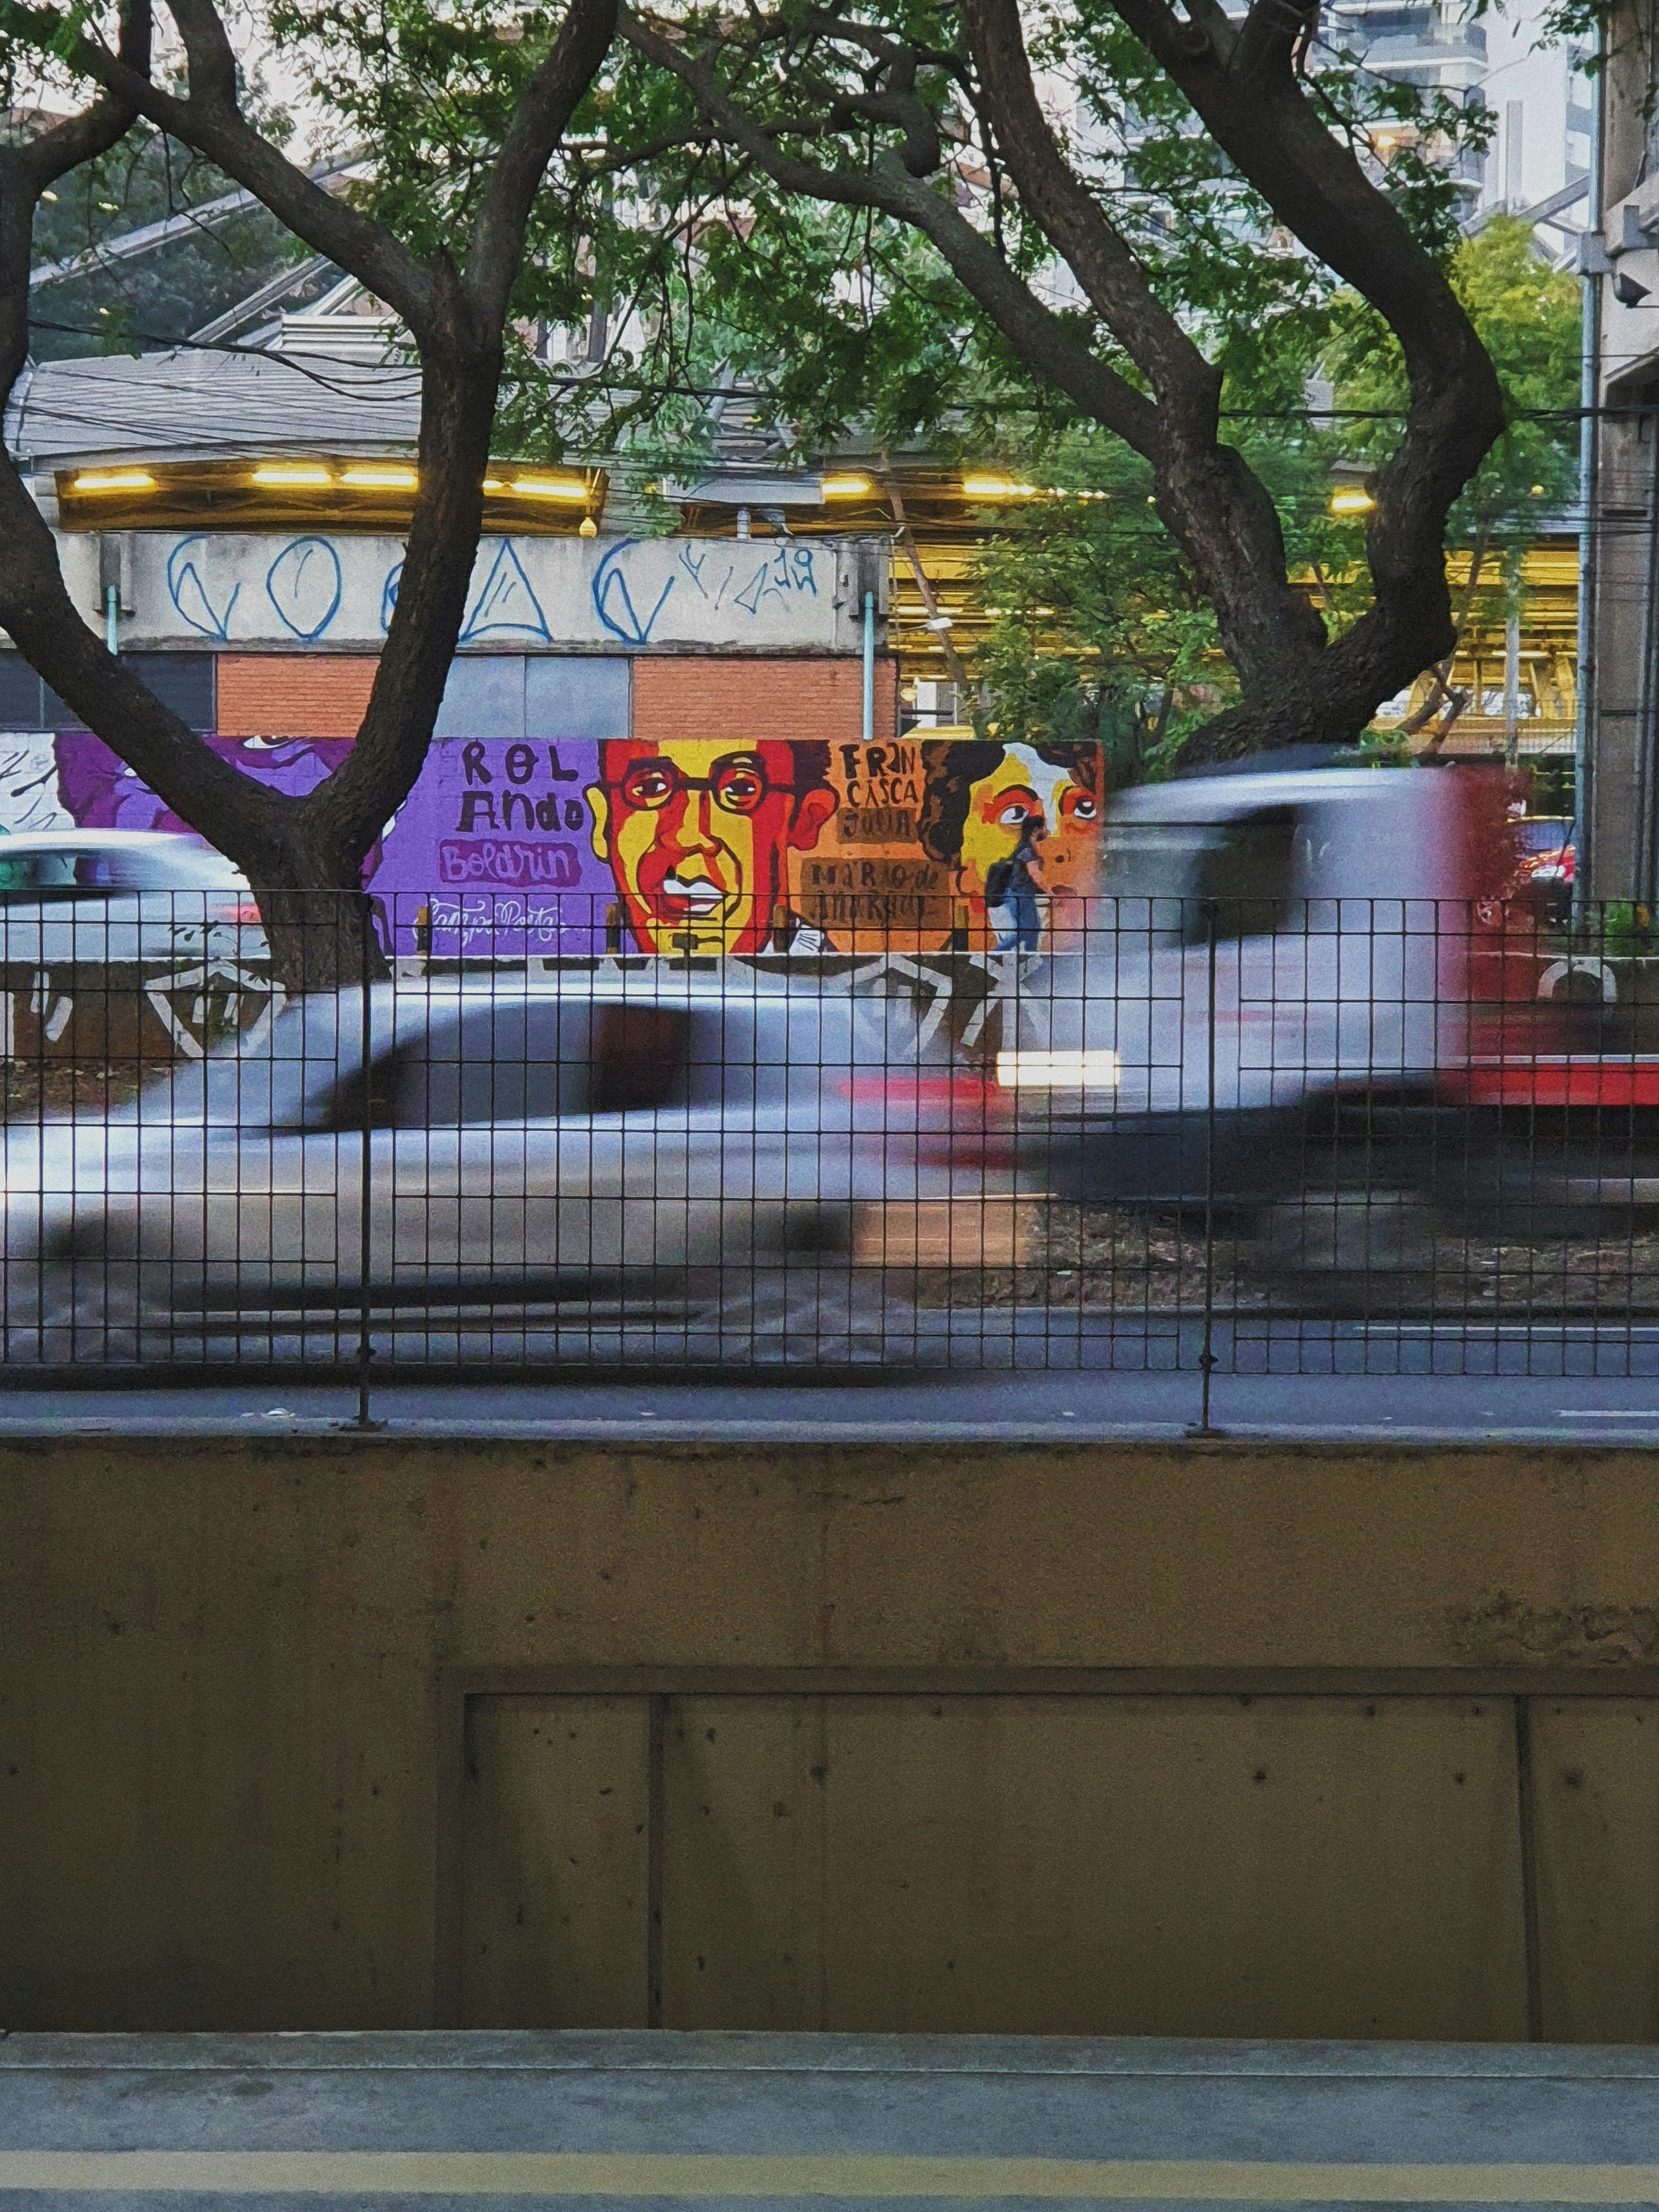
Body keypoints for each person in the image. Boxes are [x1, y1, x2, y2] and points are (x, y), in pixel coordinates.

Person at [586, 737, 838, 956]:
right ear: (604, 823)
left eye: (740, 789)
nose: (689, 837)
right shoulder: (599, 987)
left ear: (806, 820)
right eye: (652, 788)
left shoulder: (836, 996)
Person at [984, 815, 1045, 951]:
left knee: (1032, 930)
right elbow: (1035, 874)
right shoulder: (1028, 850)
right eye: (1044, 827)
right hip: (1021, 895)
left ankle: (1028, 960)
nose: (1047, 831)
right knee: (1027, 931)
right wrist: (1051, 893)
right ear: (1035, 831)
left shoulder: (1022, 848)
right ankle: (996, 954)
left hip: (1018, 894)